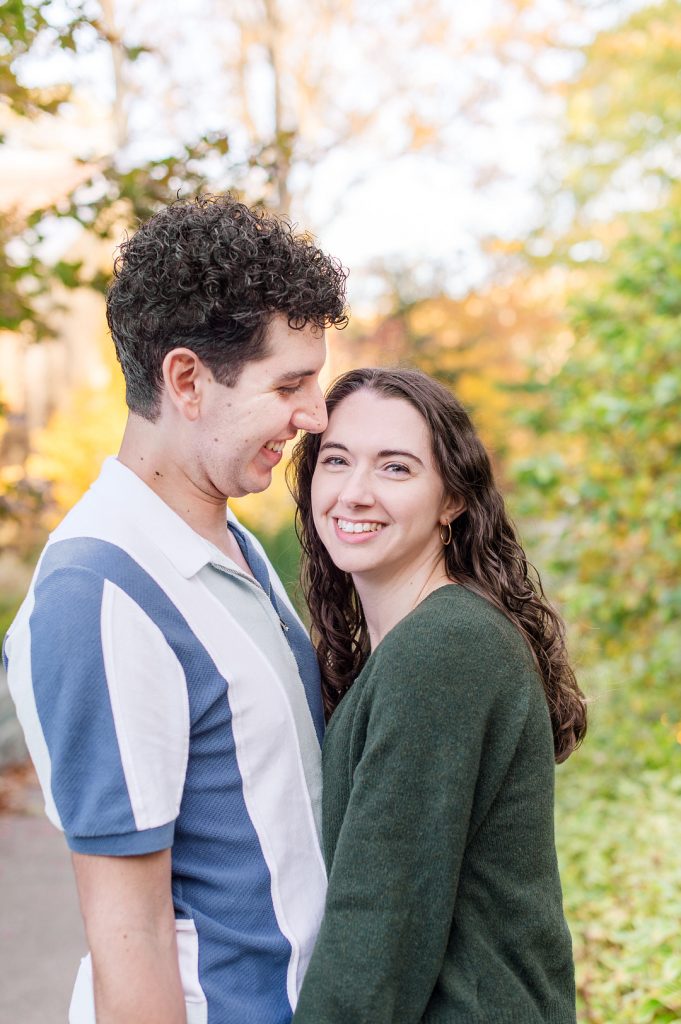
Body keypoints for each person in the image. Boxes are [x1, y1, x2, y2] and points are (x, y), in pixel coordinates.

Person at [3, 194, 348, 1023]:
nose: (315, 416)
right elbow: (133, 939)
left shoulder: (224, 541)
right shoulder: (103, 592)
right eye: (290, 384)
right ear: (187, 379)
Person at [288, 367, 587, 1024]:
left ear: (451, 498)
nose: (354, 492)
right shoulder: (420, 640)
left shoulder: (443, 648)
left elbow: (377, 925)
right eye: (335, 461)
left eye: (395, 468)